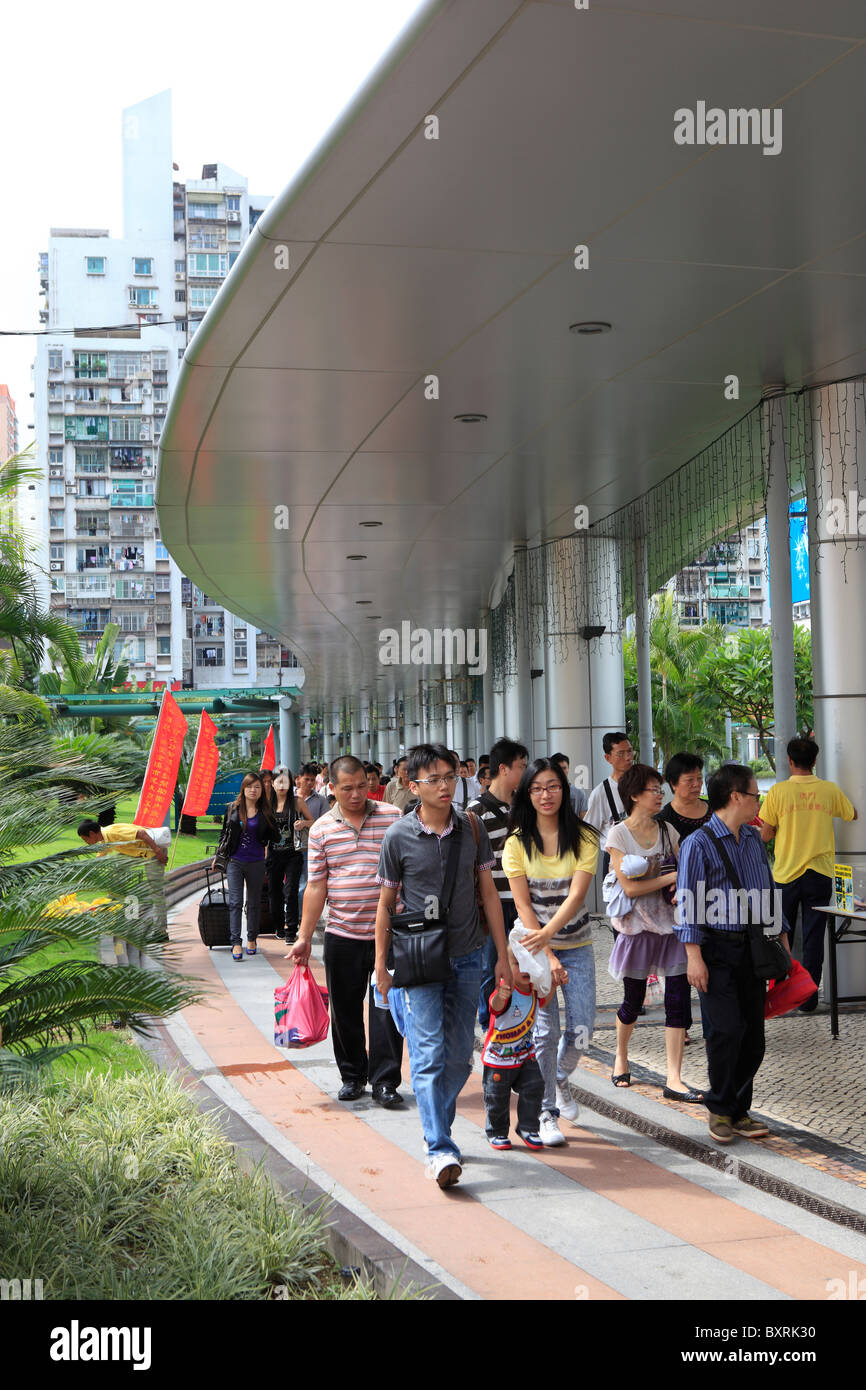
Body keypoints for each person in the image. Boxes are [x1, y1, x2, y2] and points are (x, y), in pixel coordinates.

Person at [375, 743, 511, 1189]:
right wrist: (382, 968)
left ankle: (441, 1129)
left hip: (469, 954)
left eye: (450, 777)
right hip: (418, 960)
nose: (445, 786)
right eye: (434, 779)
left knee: (459, 1058)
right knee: (430, 1054)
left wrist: (503, 958)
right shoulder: (398, 836)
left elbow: (489, 894)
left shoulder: (471, 827)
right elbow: (385, 904)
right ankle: (439, 1148)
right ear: (412, 786)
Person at [676, 764, 792, 1144]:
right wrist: (694, 957)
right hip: (716, 950)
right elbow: (690, 904)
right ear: (736, 796)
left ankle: (739, 1110)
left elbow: (767, 890)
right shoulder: (699, 844)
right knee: (725, 1030)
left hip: (753, 949)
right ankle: (720, 1108)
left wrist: (783, 939)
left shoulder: (754, 840)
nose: (760, 800)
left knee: (753, 1038)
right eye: (756, 794)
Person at [290, 756, 405, 1106]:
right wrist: (304, 936)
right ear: (333, 789)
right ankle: (353, 1075)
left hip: (390, 933)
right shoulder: (322, 829)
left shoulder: (393, 818)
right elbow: (316, 886)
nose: (356, 794)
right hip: (342, 934)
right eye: (346, 788)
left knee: (386, 1009)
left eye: (361, 786)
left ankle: (385, 1081)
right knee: (345, 1010)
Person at [502, 758, 599, 1147]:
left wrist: (553, 943)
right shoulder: (515, 844)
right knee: (546, 1031)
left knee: (583, 1029)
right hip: (534, 948)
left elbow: (577, 897)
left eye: (553, 786)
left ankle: (559, 1077)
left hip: (577, 943)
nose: (546, 795)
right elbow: (523, 906)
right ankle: (545, 1112)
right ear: (528, 794)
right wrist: (547, 953)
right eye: (538, 788)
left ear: (564, 790)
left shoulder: (586, 837)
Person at [605, 764, 702, 1102]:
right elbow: (629, 889)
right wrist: (668, 879)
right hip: (635, 929)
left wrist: (678, 882)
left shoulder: (667, 831)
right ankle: (620, 1056)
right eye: (654, 790)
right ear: (634, 795)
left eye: (660, 789)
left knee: (677, 1001)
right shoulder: (617, 835)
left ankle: (674, 1079)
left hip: (670, 926)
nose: (660, 795)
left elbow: (682, 869)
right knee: (633, 1001)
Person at [759, 737, 857, 1013]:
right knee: (814, 937)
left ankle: (780, 996)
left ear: (789, 761)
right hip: (820, 874)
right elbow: (851, 814)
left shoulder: (777, 792)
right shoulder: (829, 790)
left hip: (785, 874)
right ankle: (809, 998)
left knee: (778, 936)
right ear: (815, 761)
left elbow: (766, 833)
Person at [467, 737, 529, 1029]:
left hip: (523, 901)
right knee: (492, 965)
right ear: (503, 769)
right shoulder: (474, 811)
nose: (525, 773)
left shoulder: (525, 807)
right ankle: (487, 1022)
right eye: (522, 767)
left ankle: (519, 1019)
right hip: (494, 903)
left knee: (525, 964)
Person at [482, 946, 552, 1151]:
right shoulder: (507, 991)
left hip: (525, 1056)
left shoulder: (534, 991)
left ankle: (528, 1127)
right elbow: (494, 1007)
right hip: (498, 1059)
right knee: (497, 1096)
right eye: (517, 963)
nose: (524, 969)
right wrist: (501, 995)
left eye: (529, 964)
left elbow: (544, 1001)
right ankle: (497, 1131)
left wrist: (553, 983)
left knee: (536, 1085)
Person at [214, 773, 278, 961]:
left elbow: (275, 838)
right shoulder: (232, 809)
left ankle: (252, 939)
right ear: (243, 788)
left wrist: (271, 821)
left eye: (257, 787)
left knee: (254, 902)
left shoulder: (265, 811)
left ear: (262, 790)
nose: (253, 790)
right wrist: (218, 855)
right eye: (250, 786)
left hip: (257, 861)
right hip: (235, 861)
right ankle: (235, 942)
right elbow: (224, 834)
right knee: (235, 902)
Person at [77, 819, 169, 938]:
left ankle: (161, 932)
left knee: (156, 891)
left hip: (153, 851)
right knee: (116, 866)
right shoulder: (104, 840)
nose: (86, 842)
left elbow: (142, 833)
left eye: (85, 839)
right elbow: (99, 858)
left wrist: (158, 852)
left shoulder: (113, 833)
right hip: (136, 851)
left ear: (92, 834)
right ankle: (113, 899)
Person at [267, 766, 314, 942]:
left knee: (291, 890)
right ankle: (279, 927)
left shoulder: (297, 802)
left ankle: (291, 930)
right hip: (273, 853)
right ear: (272, 784)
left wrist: (303, 823)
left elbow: (313, 821)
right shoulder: (267, 804)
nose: (282, 786)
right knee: (274, 892)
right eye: (278, 782)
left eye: (285, 782)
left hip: (293, 853)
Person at [584, 734, 635, 877]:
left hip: (644, 855)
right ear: (608, 758)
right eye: (621, 753)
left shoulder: (643, 785)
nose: (628, 757)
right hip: (615, 860)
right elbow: (589, 832)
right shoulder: (601, 793)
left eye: (630, 751)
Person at [656, 753, 711, 840]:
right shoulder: (663, 821)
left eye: (699, 778)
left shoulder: (716, 809)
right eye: (690, 780)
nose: (696, 784)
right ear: (673, 783)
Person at [551, 752, 588, 819]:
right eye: (558, 768)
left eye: (564, 768)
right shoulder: (547, 793)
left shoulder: (579, 793)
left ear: (568, 769)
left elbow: (585, 820)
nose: (562, 771)